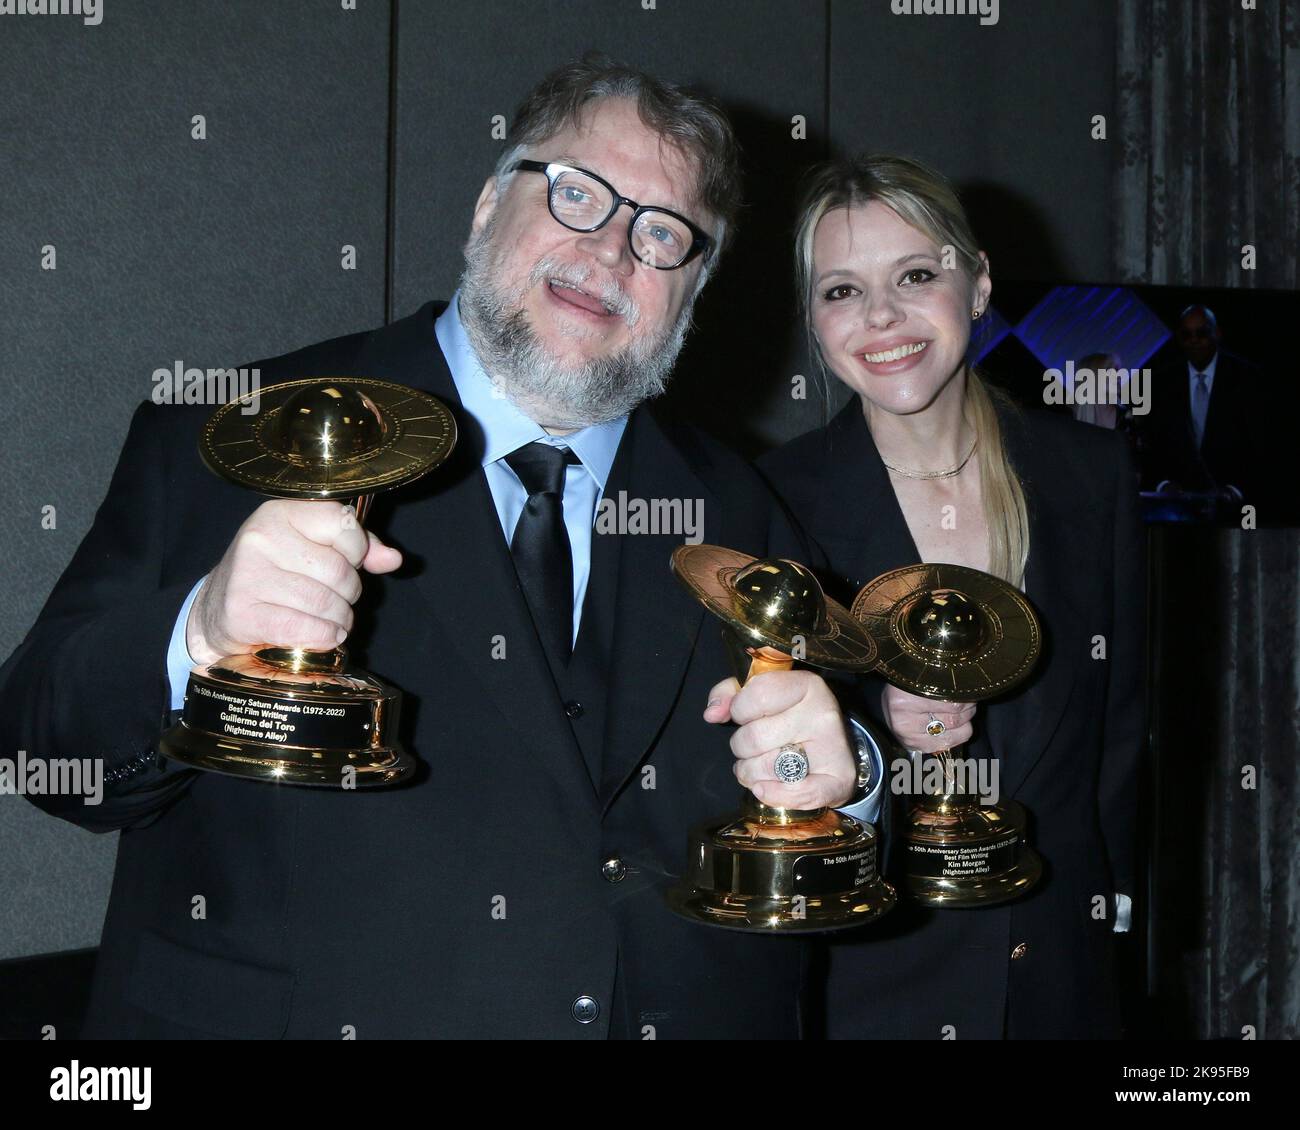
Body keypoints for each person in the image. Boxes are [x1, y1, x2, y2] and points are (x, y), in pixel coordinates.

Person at [0, 57, 884, 1040]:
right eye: (577, 193)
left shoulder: (733, 500)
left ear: (693, 289)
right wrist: (198, 632)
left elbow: (816, 756)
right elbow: (43, 757)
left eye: (661, 231)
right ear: (482, 206)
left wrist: (842, 769)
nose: (610, 251)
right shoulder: (238, 428)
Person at [758, 154, 1145, 1039]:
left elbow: (1120, 730)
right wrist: (868, 737)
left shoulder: (1092, 474)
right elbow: (755, 776)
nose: (882, 317)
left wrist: (1113, 914)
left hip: (1065, 975)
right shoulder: (772, 500)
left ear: (976, 286)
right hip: (872, 981)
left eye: (917, 276)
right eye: (841, 291)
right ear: (814, 324)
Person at [1138, 304, 1259, 504]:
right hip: (1175, 506)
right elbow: (1151, 444)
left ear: (1217, 334)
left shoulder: (1248, 379)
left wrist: (1235, 490)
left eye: (1201, 333)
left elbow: (1260, 446)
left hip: (1235, 506)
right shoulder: (1160, 383)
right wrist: (1163, 484)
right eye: (1186, 334)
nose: (1194, 340)